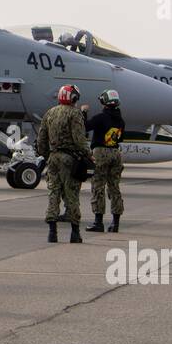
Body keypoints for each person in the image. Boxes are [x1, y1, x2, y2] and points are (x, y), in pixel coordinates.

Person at [34, 84, 92, 244]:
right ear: (74, 98)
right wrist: (89, 155)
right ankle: (75, 233)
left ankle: (52, 233)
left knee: (53, 192)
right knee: (71, 194)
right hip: (70, 159)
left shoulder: (50, 113)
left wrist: (47, 155)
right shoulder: (75, 114)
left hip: (53, 158)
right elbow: (79, 140)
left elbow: (41, 140)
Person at [84, 89, 125, 233]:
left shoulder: (100, 117)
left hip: (100, 153)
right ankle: (116, 223)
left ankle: (98, 222)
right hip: (116, 153)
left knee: (98, 187)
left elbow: (85, 128)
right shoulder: (121, 120)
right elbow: (119, 139)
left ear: (103, 102)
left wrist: (83, 113)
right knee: (114, 187)